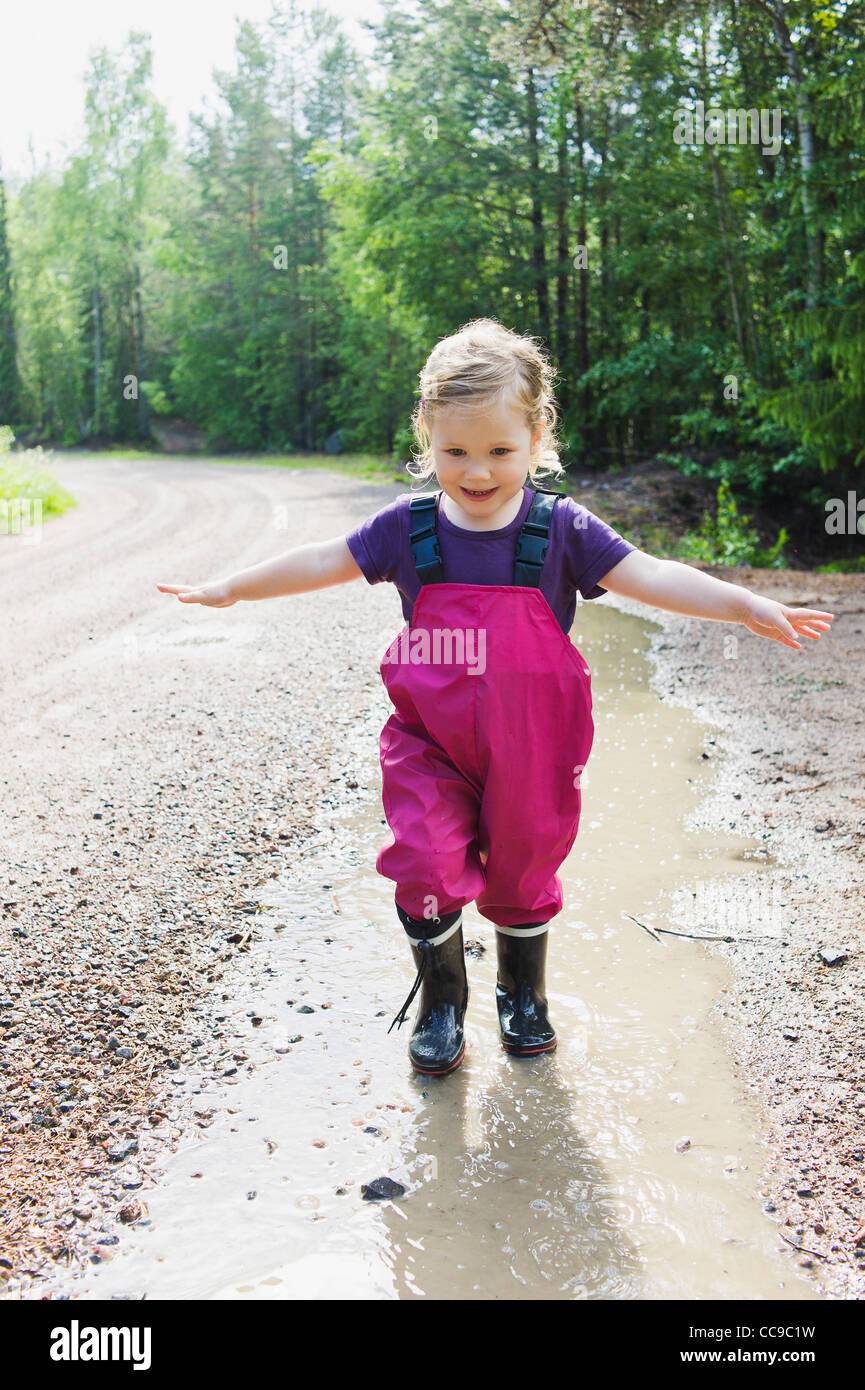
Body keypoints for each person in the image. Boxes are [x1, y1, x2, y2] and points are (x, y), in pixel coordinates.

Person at [156, 318, 834, 1079]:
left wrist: (740, 603)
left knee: (522, 870)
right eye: (455, 453)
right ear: (425, 435)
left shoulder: (562, 531)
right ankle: (442, 1001)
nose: (476, 473)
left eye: (499, 453)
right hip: (429, 744)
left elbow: (651, 573)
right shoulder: (406, 530)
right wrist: (232, 588)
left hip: (534, 746)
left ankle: (523, 997)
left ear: (538, 436)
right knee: (424, 861)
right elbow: (322, 557)